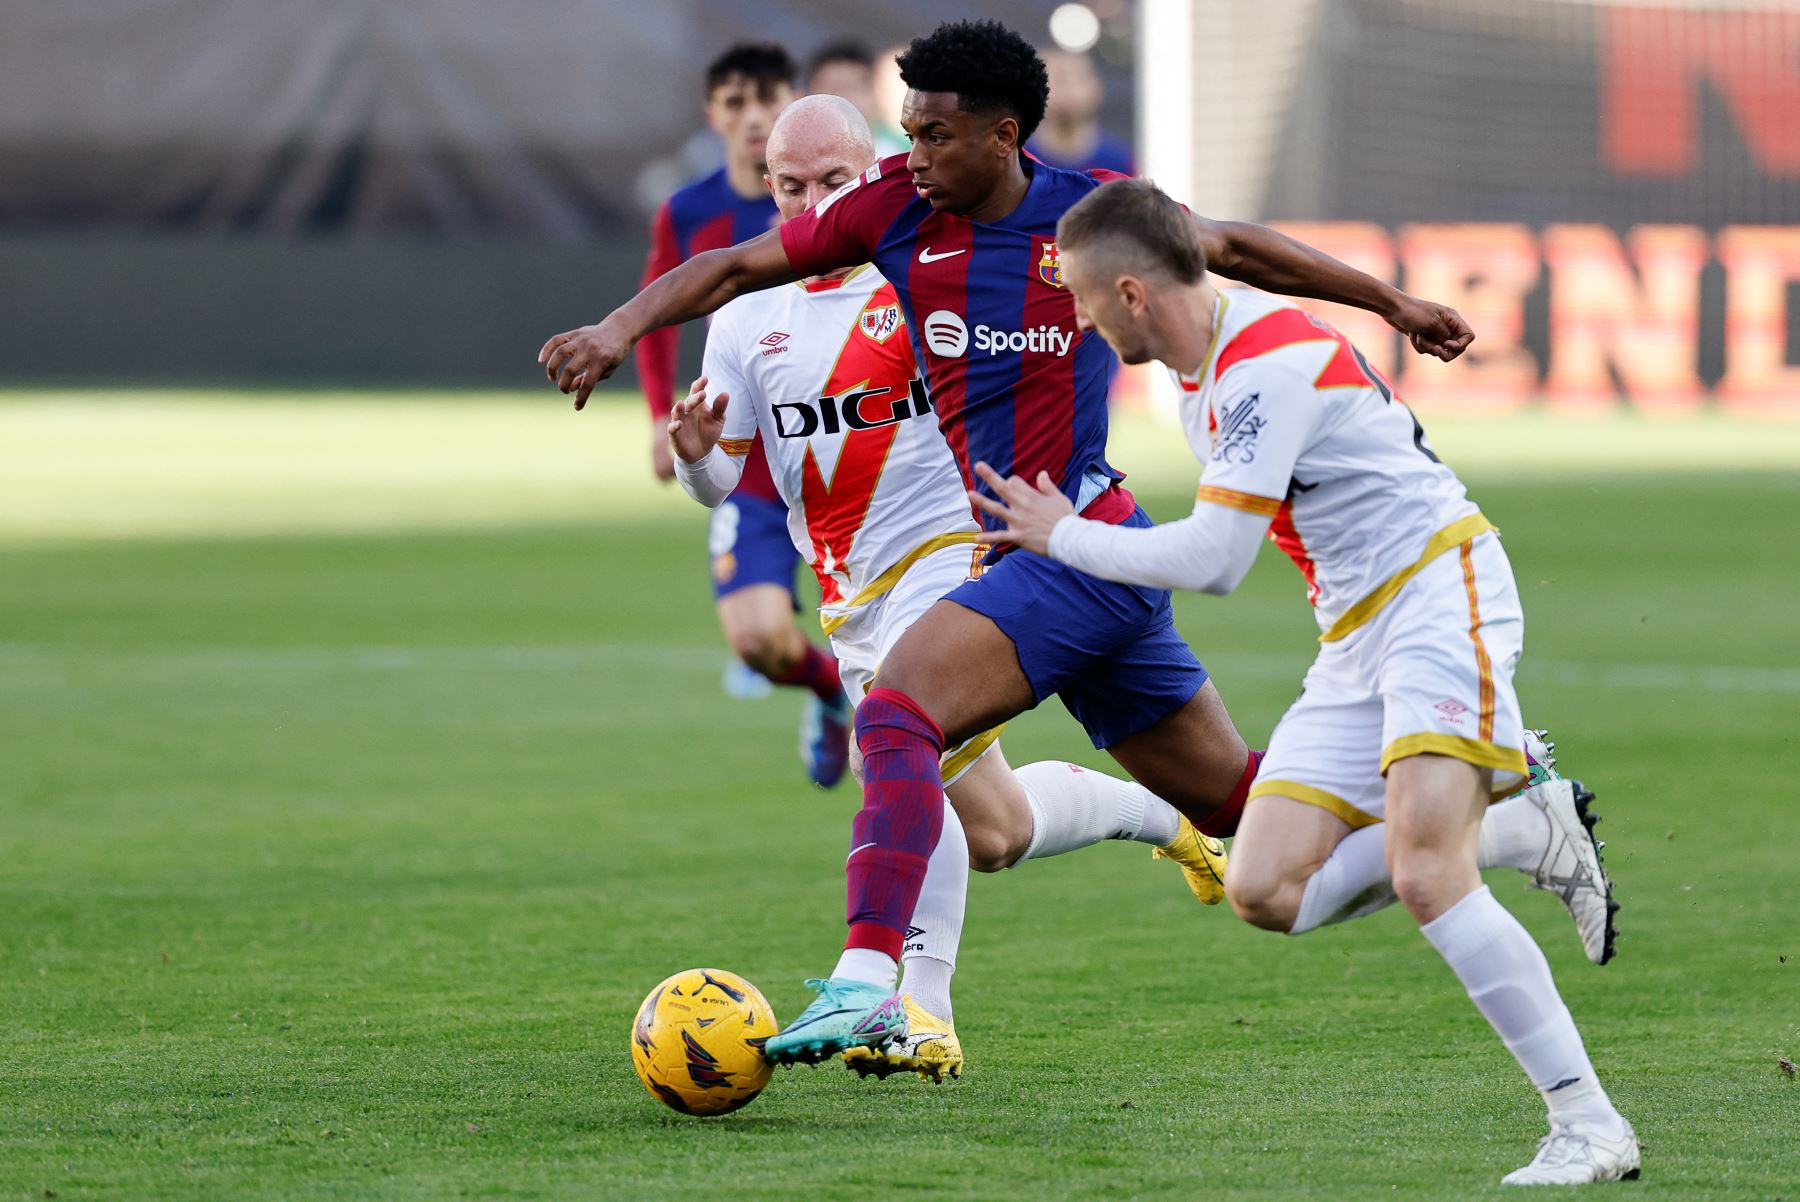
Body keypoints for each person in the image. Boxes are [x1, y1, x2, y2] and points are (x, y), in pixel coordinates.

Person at [539, 19, 1476, 1066]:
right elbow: (730, 266)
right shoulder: (893, 213)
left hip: (1065, 546)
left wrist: (1390, 301)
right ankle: (1510, 818)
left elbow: (1238, 246)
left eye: (934, 137)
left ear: (1004, 134)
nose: (914, 159)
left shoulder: (1089, 214)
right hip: (1080, 560)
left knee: (893, 716)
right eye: (908, 133)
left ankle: (874, 985)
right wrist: (618, 331)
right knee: (1237, 804)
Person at [969, 177, 1636, 1186]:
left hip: (1438, 598)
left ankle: (1588, 1122)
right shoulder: (1199, 335)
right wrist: (1391, 302)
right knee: (1264, 886)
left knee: (1422, 870)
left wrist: (1062, 535)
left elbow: (1216, 560)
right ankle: (1523, 823)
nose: (1078, 315)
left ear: (1136, 294)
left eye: (1083, 296)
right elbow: (1225, 239)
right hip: (1357, 633)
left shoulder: (1262, 366)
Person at [666, 94, 1230, 1082]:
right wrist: (700, 457)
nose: (807, 206)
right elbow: (727, 477)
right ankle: (1172, 817)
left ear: (873, 172)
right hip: (852, 592)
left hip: (961, 558)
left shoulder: (925, 270)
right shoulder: (747, 315)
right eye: (787, 187)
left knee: (901, 741)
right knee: (998, 830)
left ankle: (915, 1005)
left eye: (830, 183)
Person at [639, 43, 851, 788]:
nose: (754, 115)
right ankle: (832, 696)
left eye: (768, 98)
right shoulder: (689, 211)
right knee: (758, 640)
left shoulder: (846, 203)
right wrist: (661, 421)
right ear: (713, 115)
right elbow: (661, 315)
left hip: (849, 452)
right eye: (735, 102)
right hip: (753, 461)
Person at [1025, 49, 1134, 175]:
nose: (1068, 90)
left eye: (1078, 78)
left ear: (1096, 88)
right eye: (1059, 79)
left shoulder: (1121, 163)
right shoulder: (1014, 161)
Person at [805, 41, 909, 158]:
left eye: (854, 88)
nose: (845, 100)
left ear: (876, 95)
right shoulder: (795, 158)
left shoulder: (906, 158)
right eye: (835, 89)